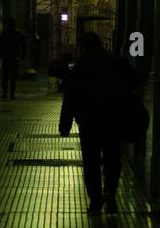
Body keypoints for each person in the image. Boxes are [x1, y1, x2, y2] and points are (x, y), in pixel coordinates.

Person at [58, 32, 138, 214]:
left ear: (83, 47)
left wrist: (65, 124)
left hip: (89, 121)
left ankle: (95, 200)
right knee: (112, 158)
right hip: (113, 119)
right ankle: (110, 190)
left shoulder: (80, 66)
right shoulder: (115, 61)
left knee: (91, 161)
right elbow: (133, 80)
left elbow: (69, 96)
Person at [0, 17, 26, 100]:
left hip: (6, 57)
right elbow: (24, 44)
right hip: (14, 58)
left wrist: (1, 54)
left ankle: (5, 94)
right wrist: (22, 56)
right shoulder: (17, 33)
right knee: (13, 77)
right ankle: (12, 95)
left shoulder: (4, 33)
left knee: (5, 76)